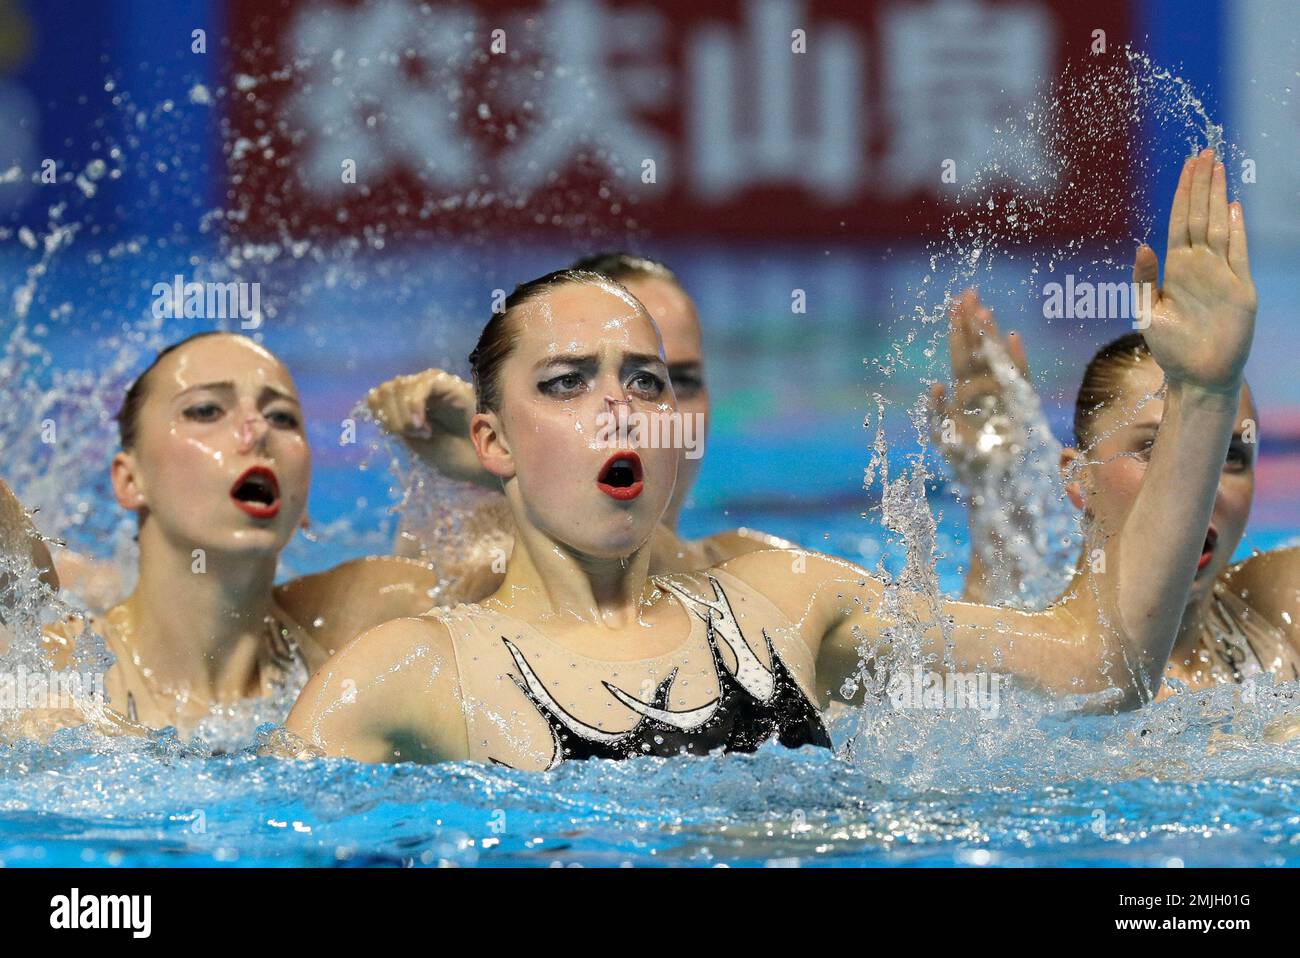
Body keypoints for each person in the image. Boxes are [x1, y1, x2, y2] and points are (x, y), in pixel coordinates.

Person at [283, 149, 1260, 768]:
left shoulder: (785, 599)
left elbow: (1101, 664)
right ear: (490, 440)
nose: (620, 402)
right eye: (569, 380)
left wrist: (1206, 395)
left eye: (649, 381)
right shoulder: (408, 673)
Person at [1, 332, 449, 738]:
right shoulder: (51, 670)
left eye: (282, 417)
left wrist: (471, 471)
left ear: (303, 498)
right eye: (206, 410)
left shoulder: (358, 621)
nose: (256, 431)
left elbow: (508, 612)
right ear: (129, 480)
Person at [932, 289, 1300, 693]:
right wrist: (997, 501)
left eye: (1230, 454)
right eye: (1157, 447)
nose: (1200, 483)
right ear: (1079, 477)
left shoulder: (1279, 606)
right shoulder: (1028, 667)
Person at [368, 252, 794, 577]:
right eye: (573, 380)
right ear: (493, 440)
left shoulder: (765, 577)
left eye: (662, 380)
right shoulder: (475, 569)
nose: (627, 412)